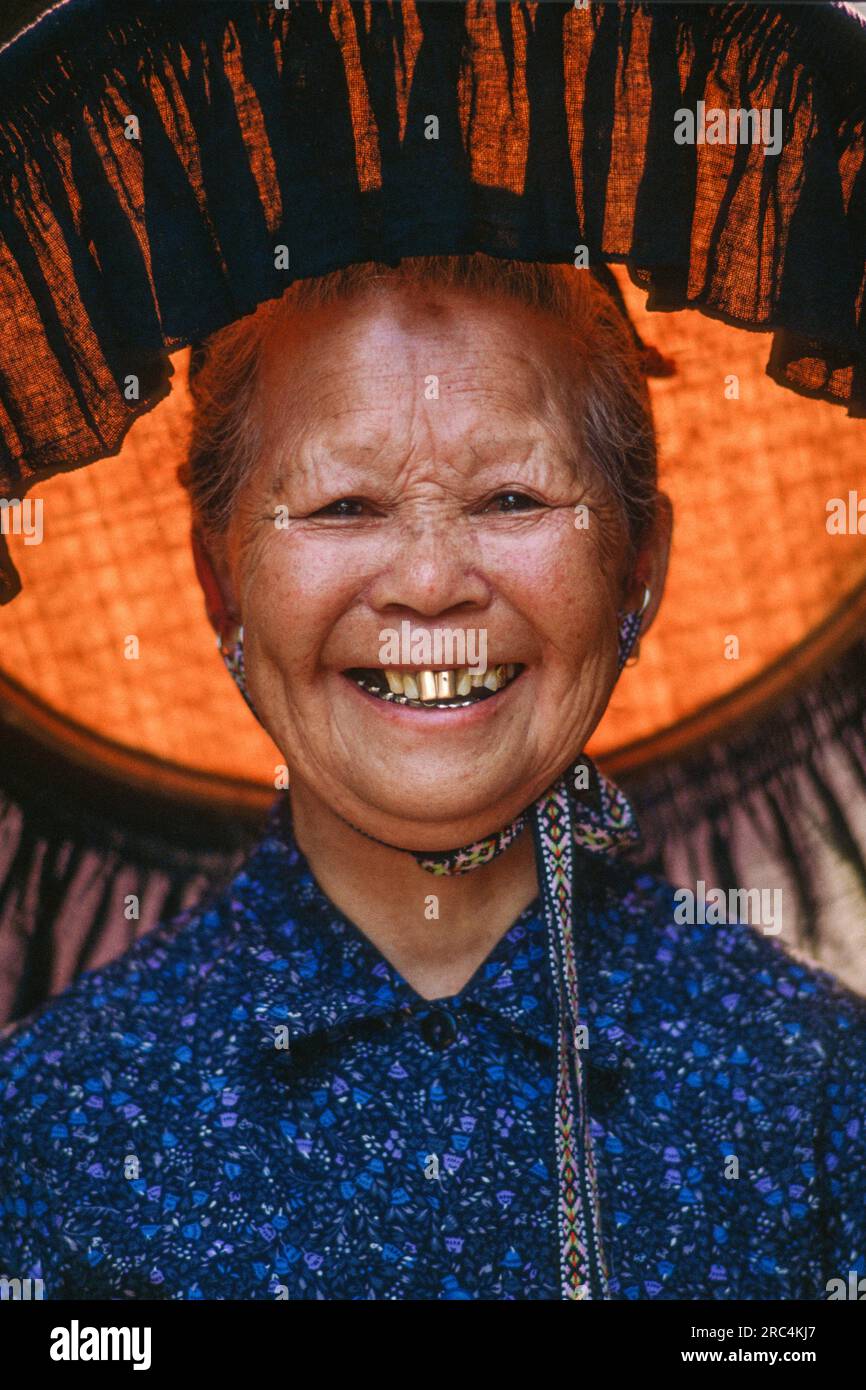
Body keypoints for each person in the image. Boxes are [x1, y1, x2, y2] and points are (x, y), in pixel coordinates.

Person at [0, 254, 863, 1301]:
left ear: (636, 567)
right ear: (221, 585)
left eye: (509, 496)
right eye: (340, 506)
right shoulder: (54, 1127)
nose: (425, 583)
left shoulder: (813, 1090)